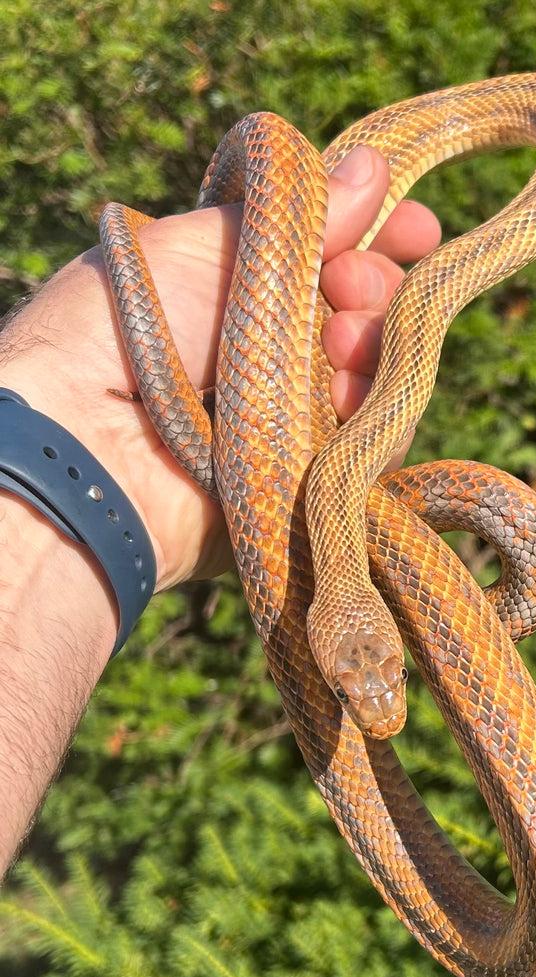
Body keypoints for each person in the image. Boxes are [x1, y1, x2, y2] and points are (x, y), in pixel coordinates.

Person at [0, 145, 441, 874]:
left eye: (376, 681)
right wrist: (68, 411)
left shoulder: (330, 542)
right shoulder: (327, 536)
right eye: (380, 679)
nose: (378, 711)